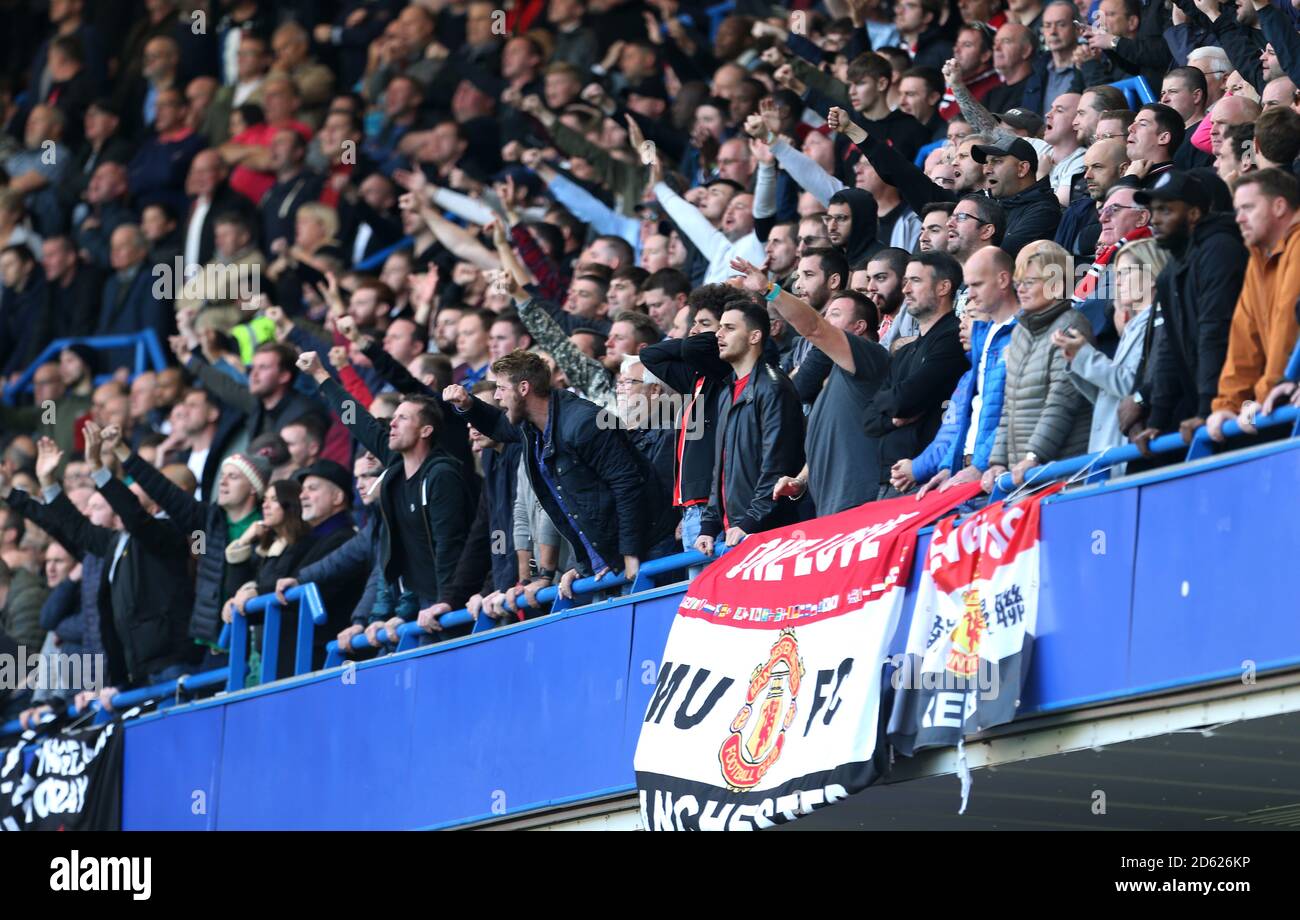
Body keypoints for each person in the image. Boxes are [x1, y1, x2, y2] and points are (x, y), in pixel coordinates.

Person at [444, 350, 674, 596]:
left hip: (646, 548)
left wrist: (630, 552)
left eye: (501, 388)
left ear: (523, 388)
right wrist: (468, 405)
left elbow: (627, 485)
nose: (498, 397)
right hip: (609, 559)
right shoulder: (532, 426)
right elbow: (499, 427)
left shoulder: (583, 422)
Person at [300, 350, 476, 638]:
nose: (391, 423)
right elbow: (358, 420)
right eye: (393, 417)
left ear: (426, 431)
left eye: (403, 418)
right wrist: (320, 374)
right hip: (416, 607)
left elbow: (449, 546)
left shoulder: (442, 475)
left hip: (450, 607)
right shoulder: (396, 467)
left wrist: (446, 603)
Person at [731, 257, 887, 515]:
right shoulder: (837, 377)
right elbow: (828, 440)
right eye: (827, 316)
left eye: (834, 315)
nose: (827, 321)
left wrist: (770, 289)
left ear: (859, 327)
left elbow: (814, 328)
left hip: (861, 503)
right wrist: (801, 480)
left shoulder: (871, 356)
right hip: (830, 505)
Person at [1126, 172, 1249, 451]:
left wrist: (1207, 411)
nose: (1155, 220)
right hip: (1211, 411)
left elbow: (1215, 332)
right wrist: (1157, 420)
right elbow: (1170, 350)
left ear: (1194, 214)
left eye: (1166, 210)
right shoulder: (1170, 272)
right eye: (1153, 210)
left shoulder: (1221, 250)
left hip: (1244, 406)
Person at [691, 299, 805, 552]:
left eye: (730, 328)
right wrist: (709, 526)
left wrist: (750, 522)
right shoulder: (726, 392)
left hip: (767, 533)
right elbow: (719, 468)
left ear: (755, 336)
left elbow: (778, 465)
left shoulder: (774, 387)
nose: (719, 334)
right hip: (735, 532)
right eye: (720, 327)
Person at [983, 241, 1095, 491]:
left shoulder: (1071, 326)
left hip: (1061, 476)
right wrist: (998, 462)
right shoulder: (1020, 332)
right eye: (1018, 283)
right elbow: (1008, 406)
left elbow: (1062, 402)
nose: (1020, 290)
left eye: (1029, 282)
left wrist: (1034, 456)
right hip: (1025, 476)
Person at [1056, 238, 1167, 471]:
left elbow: (1130, 387)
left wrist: (1085, 356)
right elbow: (1109, 396)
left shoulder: (1158, 324)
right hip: (1108, 449)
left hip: (1125, 453)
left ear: (1153, 274)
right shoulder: (1135, 327)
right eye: (1117, 273)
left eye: (1125, 272)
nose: (1117, 281)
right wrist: (1076, 359)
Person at [1205, 169, 1300, 441]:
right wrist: (1228, 405)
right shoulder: (1258, 258)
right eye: (1236, 210)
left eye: (1248, 208)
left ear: (1279, 206)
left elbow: (1288, 328)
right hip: (1278, 399)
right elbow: (1244, 342)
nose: (1239, 219)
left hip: (1283, 399)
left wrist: (1262, 397)